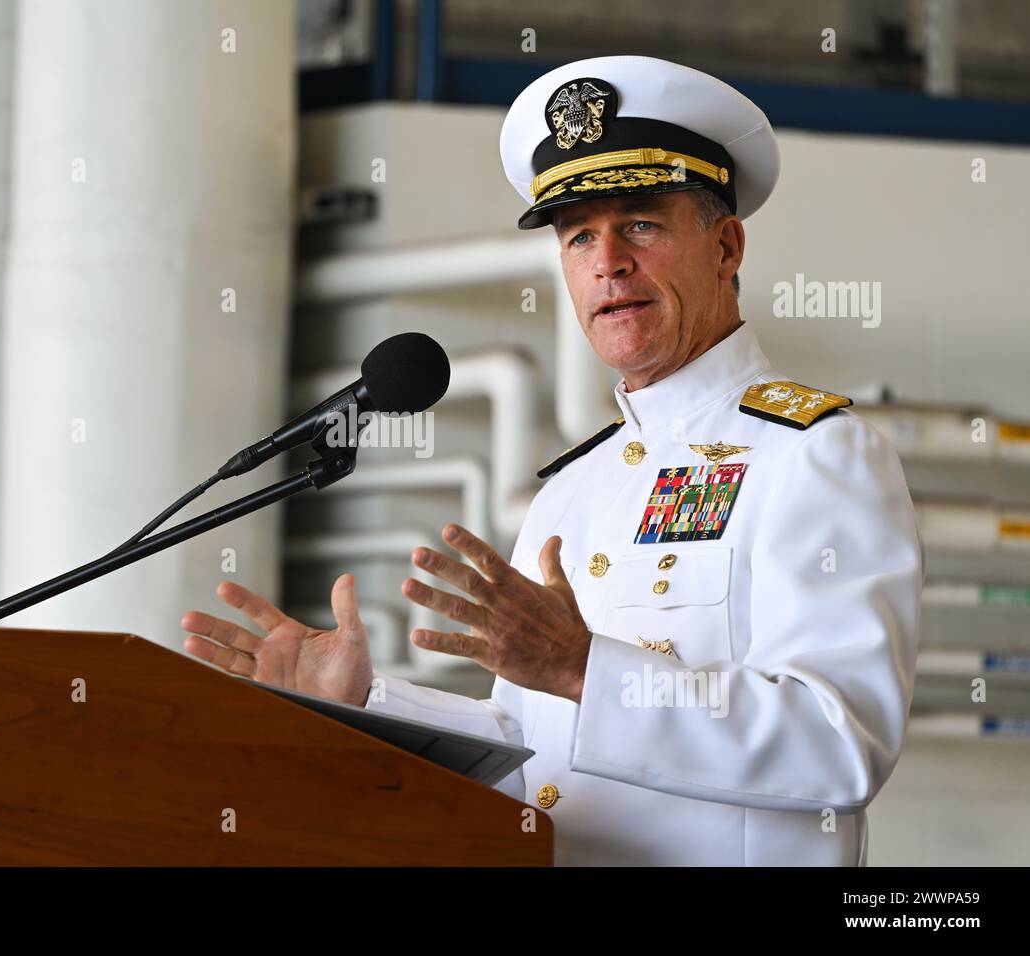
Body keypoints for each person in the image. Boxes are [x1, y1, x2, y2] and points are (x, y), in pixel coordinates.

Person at [180, 55, 924, 866]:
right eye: (579, 237)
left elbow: (839, 744)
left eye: (640, 223)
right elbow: (533, 750)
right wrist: (363, 704)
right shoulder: (575, 487)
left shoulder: (816, 454)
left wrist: (584, 668)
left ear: (726, 244)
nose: (607, 261)